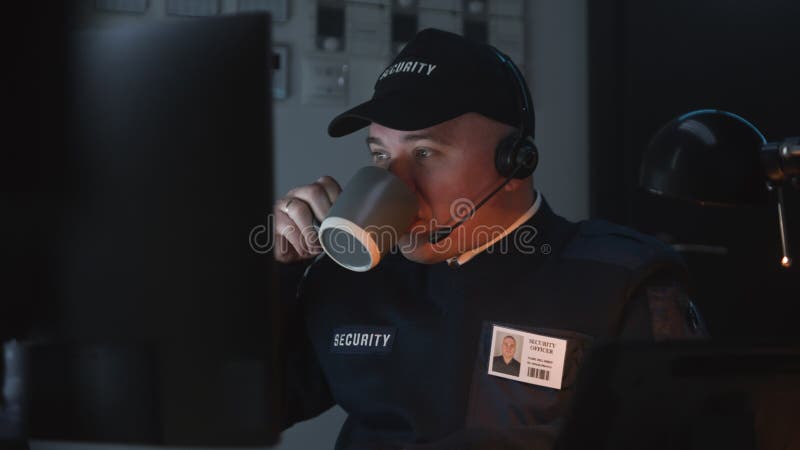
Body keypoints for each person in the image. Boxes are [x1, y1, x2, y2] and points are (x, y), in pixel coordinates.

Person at [273, 29, 705, 450]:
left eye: (424, 153)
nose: (395, 182)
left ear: (516, 163)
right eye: (381, 155)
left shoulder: (620, 278)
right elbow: (254, 404)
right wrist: (277, 272)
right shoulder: (353, 274)